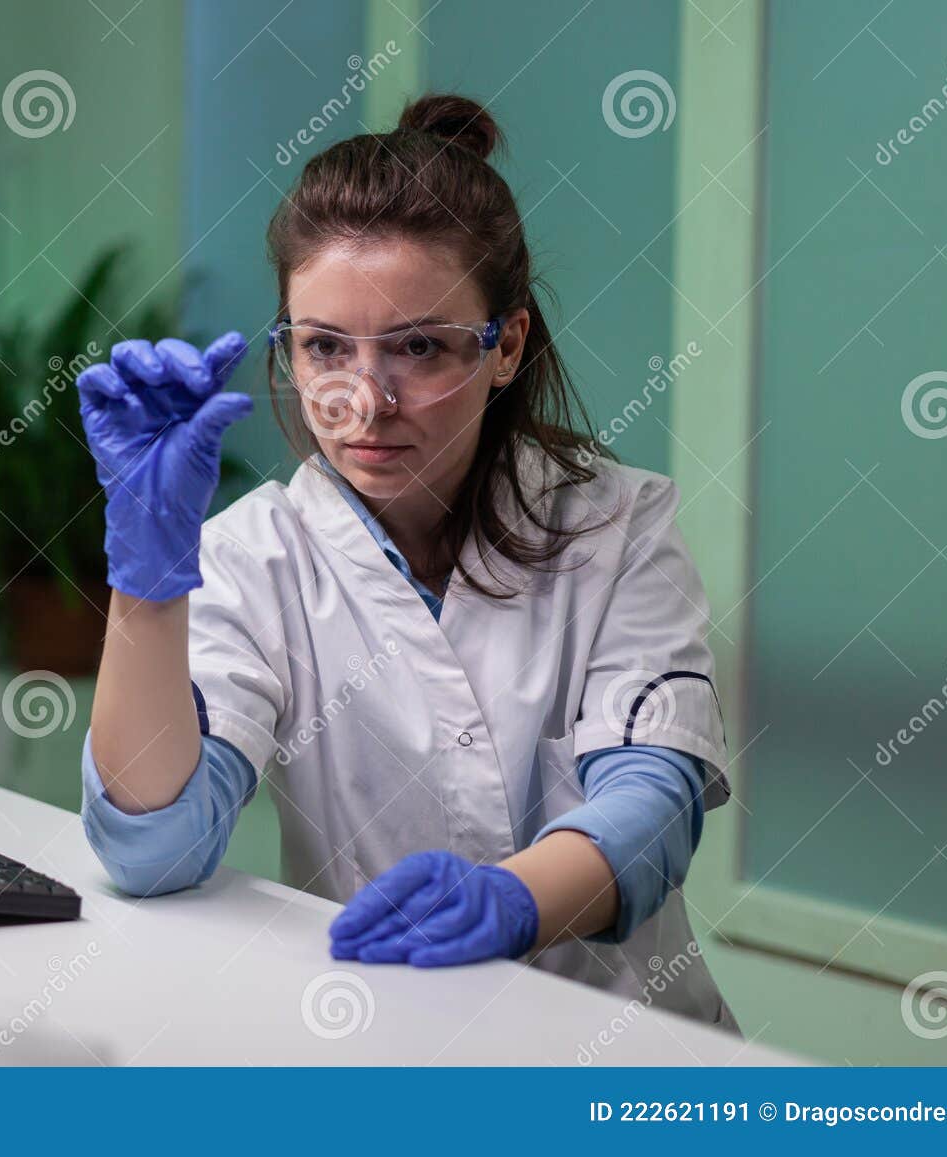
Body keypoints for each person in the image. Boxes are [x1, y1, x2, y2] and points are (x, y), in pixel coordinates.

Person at [75, 93, 734, 1027]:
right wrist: (145, 576)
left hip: (621, 1047)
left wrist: (515, 900)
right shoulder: (255, 555)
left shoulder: (616, 525)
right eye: (325, 347)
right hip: (382, 1031)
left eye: (420, 347)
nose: (365, 402)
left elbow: (654, 804)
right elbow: (155, 849)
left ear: (506, 345)